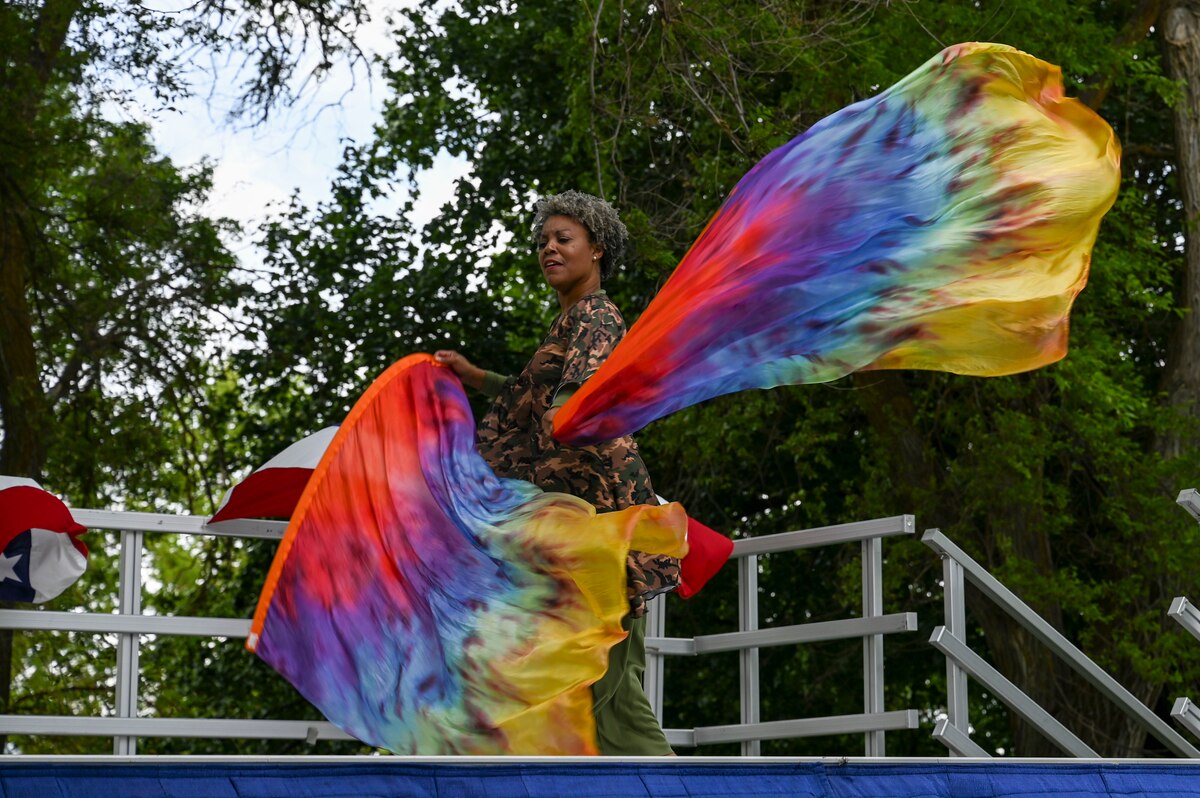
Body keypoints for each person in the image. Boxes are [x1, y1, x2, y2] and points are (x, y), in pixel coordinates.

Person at [435, 189, 679, 756]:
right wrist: (475, 377)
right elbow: (533, 397)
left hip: (596, 520)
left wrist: (565, 411)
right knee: (595, 686)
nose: (548, 248)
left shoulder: (597, 315)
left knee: (601, 683)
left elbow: (574, 401)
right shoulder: (567, 322)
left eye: (562, 239)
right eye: (543, 240)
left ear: (596, 249)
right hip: (572, 525)